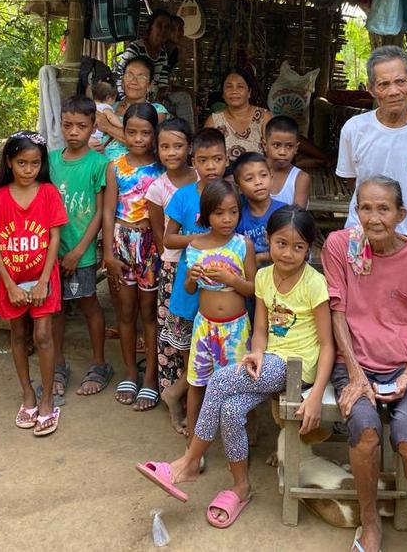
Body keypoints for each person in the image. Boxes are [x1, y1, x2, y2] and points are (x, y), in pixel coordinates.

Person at [135, 206, 334, 529]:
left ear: (308, 249)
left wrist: (316, 394)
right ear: (268, 241)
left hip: (299, 367)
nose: (288, 253)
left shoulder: (314, 283)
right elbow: (260, 330)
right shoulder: (265, 278)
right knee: (230, 409)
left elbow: (327, 344)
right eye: (281, 244)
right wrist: (256, 352)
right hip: (269, 360)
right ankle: (241, 487)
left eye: (298, 247)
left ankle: (188, 461)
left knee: (220, 381)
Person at [322, 176, 407, 552]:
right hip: (355, 362)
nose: (374, 218)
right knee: (365, 434)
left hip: (403, 365)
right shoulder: (340, 246)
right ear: (356, 210)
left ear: (401, 214)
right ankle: (370, 520)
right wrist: (357, 376)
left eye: (383, 209)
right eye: (365, 208)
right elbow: (338, 312)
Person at [0, 131, 68, 436]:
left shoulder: (48, 194)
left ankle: (46, 399)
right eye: (22, 163)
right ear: (9, 162)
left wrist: (44, 281)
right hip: (13, 281)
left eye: (34, 163)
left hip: (43, 279)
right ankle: (27, 393)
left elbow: (55, 237)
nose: (28, 169)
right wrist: (9, 285)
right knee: (18, 334)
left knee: (43, 335)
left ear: (42, 164)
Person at [336, 45, 407, 270]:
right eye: (383, 84)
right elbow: (355, 183)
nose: (393, 91)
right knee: (363, 303)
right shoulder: (354, 129)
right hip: (363, 237)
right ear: (371, 89)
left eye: (401, 82)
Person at [162, 127, 228, 433]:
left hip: (223, 292)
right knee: (195, 363)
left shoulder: (231, 196)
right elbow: (168, 239)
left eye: (217, 159)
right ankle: (186, 409)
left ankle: (176, 396)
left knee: (219, 359)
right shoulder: (185, 196)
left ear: (227, 160)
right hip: (189, 292)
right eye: (204, 160)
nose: (211, 166)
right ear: (194, 161)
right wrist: (198, 239)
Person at [49, 95, 112, 402]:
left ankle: (99, 363)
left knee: (88, 304)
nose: (74, 131)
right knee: (56, 309)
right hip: (51, 251)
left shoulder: (99, 164)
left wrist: (79, 251)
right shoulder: (50, 161)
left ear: (93, 128)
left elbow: (100, 213)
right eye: (68, 125)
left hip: (82, 252)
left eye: (81, 126)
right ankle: (58, 364)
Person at [184, 179, 257, 437]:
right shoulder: (194, 248)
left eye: (233, 212)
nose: (227, 219)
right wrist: (192, 278)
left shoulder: (243, 244)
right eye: (219, 213)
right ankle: (193, 437)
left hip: (237, 327)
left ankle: (242, 436)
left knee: (241, 383)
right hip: (204, 327)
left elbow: (253, 289)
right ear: (206, 214)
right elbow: (190, 289)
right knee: (198, 382)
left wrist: (232, 281)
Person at [103, 103, 163, 410]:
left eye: (145, 132)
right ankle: (129, 371)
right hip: (121, 243)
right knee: (125, 312)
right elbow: (108, 210)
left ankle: (150, 377)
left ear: (154, 134)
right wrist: (108, 253)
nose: (138, 138)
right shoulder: (115, 166)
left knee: (149, 314)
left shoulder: (162, 167)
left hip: (152, 245)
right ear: (123, 133)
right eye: (132, 132)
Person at [145, 118, 197, 433]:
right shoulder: (157, 188)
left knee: (201, 336)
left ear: (189, 147)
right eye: (165, 146)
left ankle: (194, 395)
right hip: (173, 266)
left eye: (178, 145)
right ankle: (173, 397)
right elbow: (160, 236)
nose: (171, 152)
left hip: (205, 267)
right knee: (174, 338)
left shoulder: (205, 177)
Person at [94, 57, 168, 162]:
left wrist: (107, 127)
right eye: (129, 75)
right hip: (99, 170)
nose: (134, 81)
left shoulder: (157, 111)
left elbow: (149, 144)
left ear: (150, 85)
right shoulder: (109, 107)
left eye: (141, 77)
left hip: (133, 174)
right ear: (123, 82)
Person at [204, 68, 273, 164]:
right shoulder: (214, 121)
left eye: (240, 86)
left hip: (258, 176)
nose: (234, 91)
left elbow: (274, 154)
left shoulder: (264, 117)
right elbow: (206, 157)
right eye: (229, 87)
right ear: (223, 94)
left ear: (249, 92)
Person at [234, 152, 286, 267]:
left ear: (271, 178)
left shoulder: (284, 212)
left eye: (263, 175)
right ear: (239, 188)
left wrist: (262, 257)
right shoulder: (237, 217)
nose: (258, 182)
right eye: (249, 179)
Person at [114, 9, 172, 101]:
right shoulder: (135, 48)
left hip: (149, 102)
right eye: (159, 25)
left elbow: (162, 85)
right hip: (129, 100)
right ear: (151, 27)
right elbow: (119, 78)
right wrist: (127, 101)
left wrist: (156, 104)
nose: (163, 30)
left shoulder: (163, 55)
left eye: (167, 27)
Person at [264, 114, 311, 207]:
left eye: (289, 146)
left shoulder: (300, 178)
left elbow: (297, 217)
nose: (282, 152)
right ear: (264, 145)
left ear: (296, 148)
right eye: (276, 145)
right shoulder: (254, 172)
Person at [90, 79, 121, 148]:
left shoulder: (90, 105)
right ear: (108, 98)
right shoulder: (105, 108)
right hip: (96, 136)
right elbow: (112, 118)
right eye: (114, 98)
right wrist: (122, 126)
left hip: (87, 135)